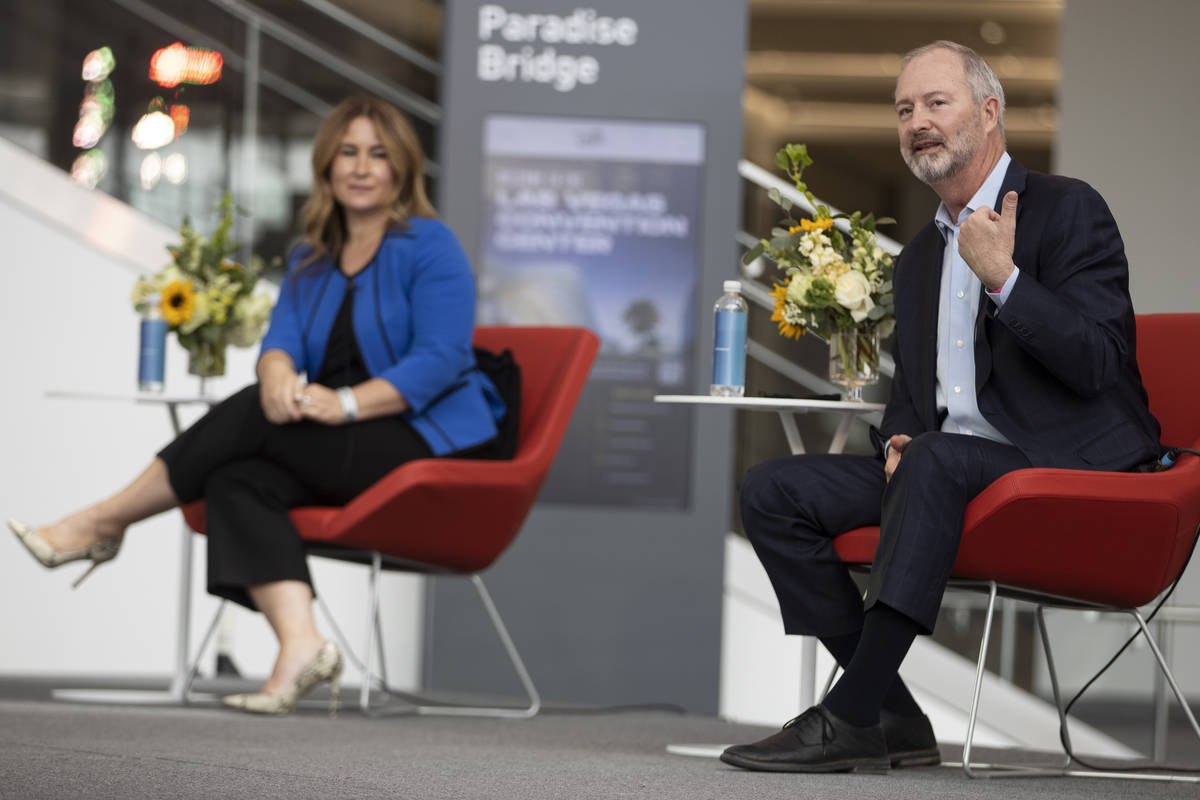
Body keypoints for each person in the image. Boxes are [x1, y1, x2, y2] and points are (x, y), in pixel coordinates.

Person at [721, 41, 1161, 773]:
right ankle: (894, 713)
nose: (916, 122)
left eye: (935, 103)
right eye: (904, 110)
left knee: (937, 459)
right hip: (947, 466)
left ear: (989, 113)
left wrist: (1005, 280)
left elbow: (1099, 362)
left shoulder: (1068, 208)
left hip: (1060, 465)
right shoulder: (920, 255)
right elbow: (913, 397)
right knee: (774, 491)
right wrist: (898, 438)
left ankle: (847, 716)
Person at [9, 96, 506, 716]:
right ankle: (301, 647)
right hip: (341, 439)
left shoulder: (431, 246)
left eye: (378, 155)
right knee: (236, 476)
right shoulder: (311, 259)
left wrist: (345, 403)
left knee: (250, 417)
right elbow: (281, 343)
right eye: (348, 152)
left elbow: (441, 358)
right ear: (326, 166)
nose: (361, 167)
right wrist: (276, 376)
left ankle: (104, 522)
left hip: (427, 439)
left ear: (402, 168)